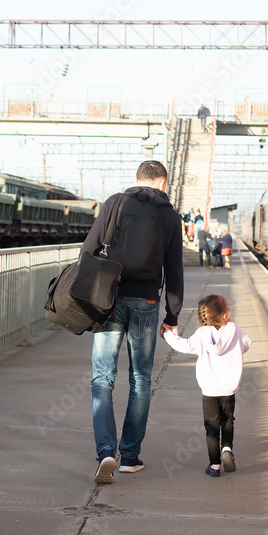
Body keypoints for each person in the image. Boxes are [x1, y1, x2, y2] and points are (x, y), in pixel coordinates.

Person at [81, 160, 184, 484]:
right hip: (147, 302)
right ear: (163, 183)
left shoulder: (115, 203)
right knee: (140, 379)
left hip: (108, 301)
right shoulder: (169, 215)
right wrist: (173, 316)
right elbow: (175, 270)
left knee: (102, 377)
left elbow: (88, 250)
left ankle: (106, 451)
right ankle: (130, 455)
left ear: (137, 179)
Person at [162, 294, 251, 477]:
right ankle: (227, 449)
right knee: (228, 420)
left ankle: (215, 466)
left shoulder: (202, 334)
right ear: (225, 314)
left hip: (209, 390)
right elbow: (247, 345)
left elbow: (184, 345)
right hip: (229, 389)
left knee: (212, 427)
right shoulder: (234, 330)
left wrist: (167, 334)